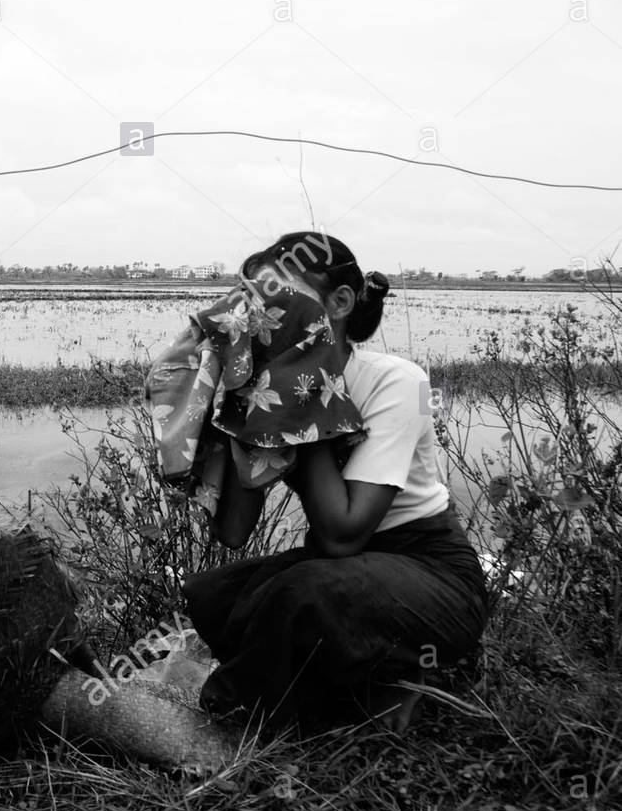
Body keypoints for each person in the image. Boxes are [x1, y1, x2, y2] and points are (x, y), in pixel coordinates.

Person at [179, 233, 488, 733]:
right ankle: (360, 689)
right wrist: (240, 415)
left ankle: (241, 716)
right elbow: (234, 530)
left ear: (339, 303)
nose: (263, 317)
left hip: (431, 571)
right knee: (211, 594)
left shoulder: (400, 382)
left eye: (282, 299)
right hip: (350, 571)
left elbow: (342, 535)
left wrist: (309, 404)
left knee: (301, 592)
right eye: (255, 302)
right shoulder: (270, 389)